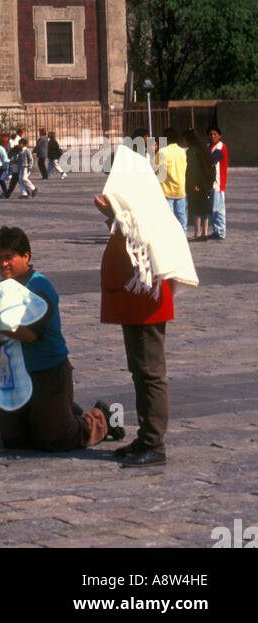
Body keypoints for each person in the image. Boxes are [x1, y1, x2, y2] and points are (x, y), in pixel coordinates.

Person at [94, 146, 197, 468]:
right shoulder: (137, 213)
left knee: (151, 372)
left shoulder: (147, 217)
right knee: (140, 371)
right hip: (135, 303)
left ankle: (155, 443)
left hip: (147, 305)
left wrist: (113, 215)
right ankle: (145, 437)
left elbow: (143, 247)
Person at [0, 226, 120, 452]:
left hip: (48, 371)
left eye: (8, 258)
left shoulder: (40, 288)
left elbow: (30, 335)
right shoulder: (2, 289)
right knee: (14, 440)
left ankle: (99, 419)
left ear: (26, 256)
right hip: (18, 374)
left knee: (53, 440)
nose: (3, 264)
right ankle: (61, 409)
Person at [183, 127, 213, 242]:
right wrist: (208, 183)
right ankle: (205, 232)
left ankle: (197, 233)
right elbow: (211, 167)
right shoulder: (205, 149)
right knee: (205, 209)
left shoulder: (191, 152)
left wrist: (193, 185)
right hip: (205, 184)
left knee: (196, 209)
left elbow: (192, 170)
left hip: (195, 185)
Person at [158, 126, 187, 232]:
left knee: (168, 217)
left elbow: (156, 170)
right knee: (181, 216)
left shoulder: (162, 152)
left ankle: (169, 237)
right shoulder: (182, 151)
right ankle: (183, 236)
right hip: (180, 188)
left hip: (166, 190)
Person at [207, 126, 228, 241]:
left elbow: (213, 159)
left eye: (215, 134)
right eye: (210, 134)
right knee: (213, 208)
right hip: (211, 182)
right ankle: (216, 230)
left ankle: (220, 232)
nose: (212, 136)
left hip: (218, 183)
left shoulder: (220, 146)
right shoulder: (209, 146)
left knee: (218, 209)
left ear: (219, 135)